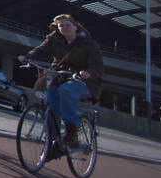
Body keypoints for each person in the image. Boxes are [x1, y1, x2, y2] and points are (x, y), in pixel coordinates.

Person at [21, 14, 103, 149]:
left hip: (85, 82)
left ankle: (71, 134)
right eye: (60, 26)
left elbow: (97, 66)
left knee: (66, 90)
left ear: (75, 27)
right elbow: (41, 50)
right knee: (51, 105)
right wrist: (27, 57)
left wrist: (88, 73)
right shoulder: (54, 38)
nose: (64, 28)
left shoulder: (89, 44)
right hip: (60, 77)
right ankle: (54, 143)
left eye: (67, 25)